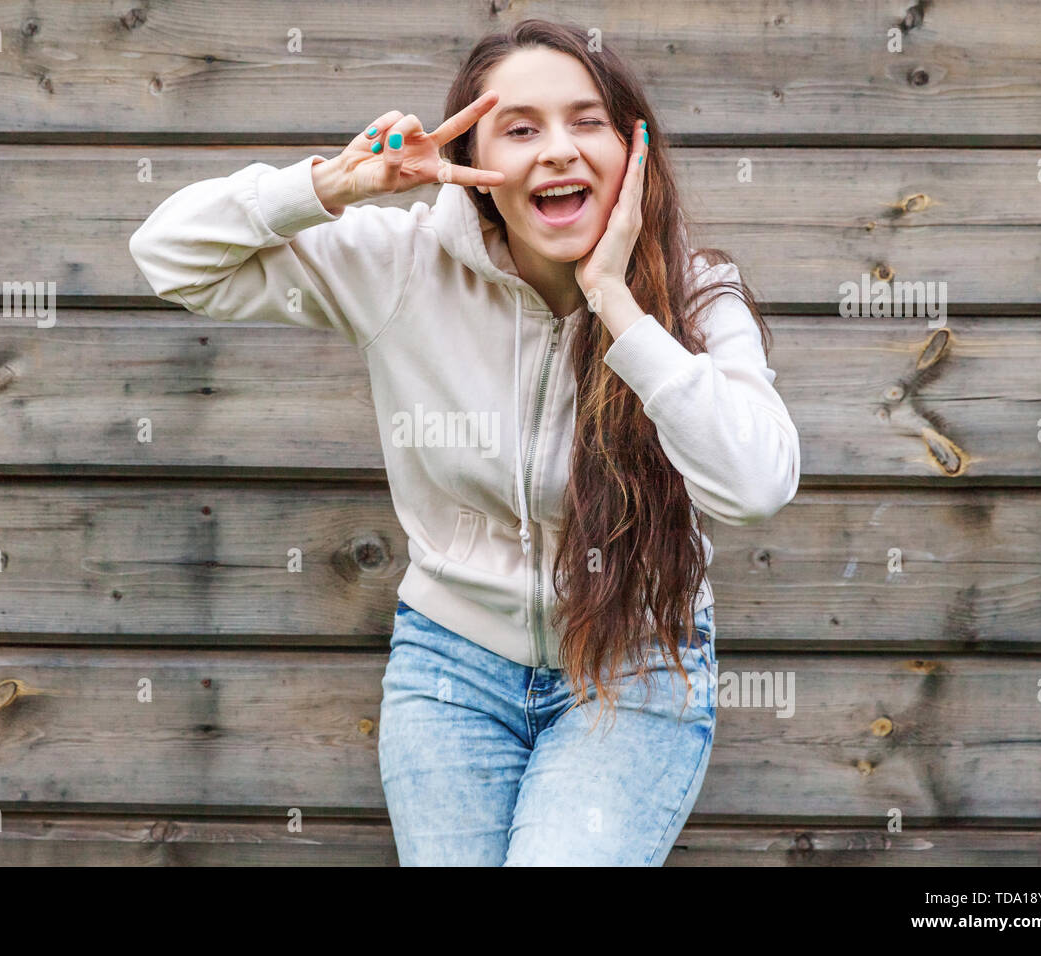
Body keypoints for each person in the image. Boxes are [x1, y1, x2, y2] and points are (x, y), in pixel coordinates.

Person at [129, 18, 800, 866]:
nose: (556, 150)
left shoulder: (696, 293)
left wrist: (618, 308)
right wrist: (333, 184)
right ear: (477, 171)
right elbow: (168, 256)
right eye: (520, 130)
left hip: (637, 668)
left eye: (586, 121)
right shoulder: (404, 264)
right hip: (452, 668)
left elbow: (757, 483)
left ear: (634, 151)